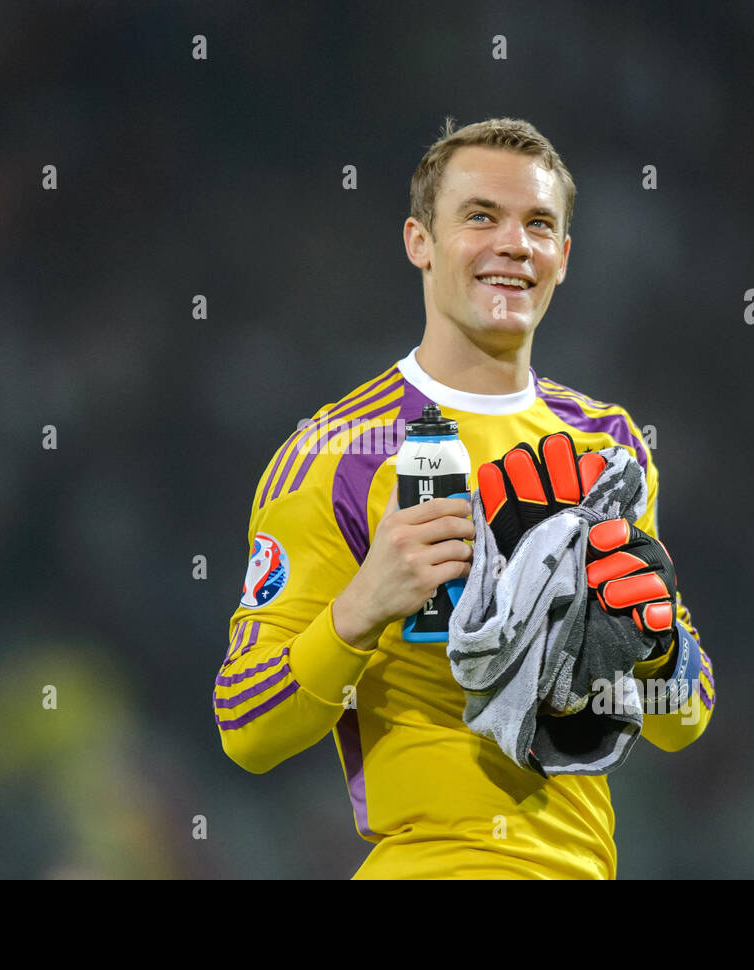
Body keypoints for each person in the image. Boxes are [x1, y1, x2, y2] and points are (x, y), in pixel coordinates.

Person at [214, 117, 715, 879]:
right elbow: (245, 726)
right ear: (419, 241)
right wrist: (362, 605)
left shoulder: (610, 446)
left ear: (564, 258)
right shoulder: (336, 453)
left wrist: (656, 643)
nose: (514, 244)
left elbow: (690, 716)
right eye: (481, 216)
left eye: (538, 224)